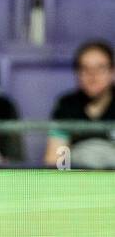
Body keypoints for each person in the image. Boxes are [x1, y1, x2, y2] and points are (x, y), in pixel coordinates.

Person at [45, 40, 115, 169]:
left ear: (112, 72)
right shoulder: (66, 105)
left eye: (100, 68)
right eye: (85, 68)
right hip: (78, 184)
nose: (93, 76)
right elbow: (55, 162)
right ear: (77, 74)